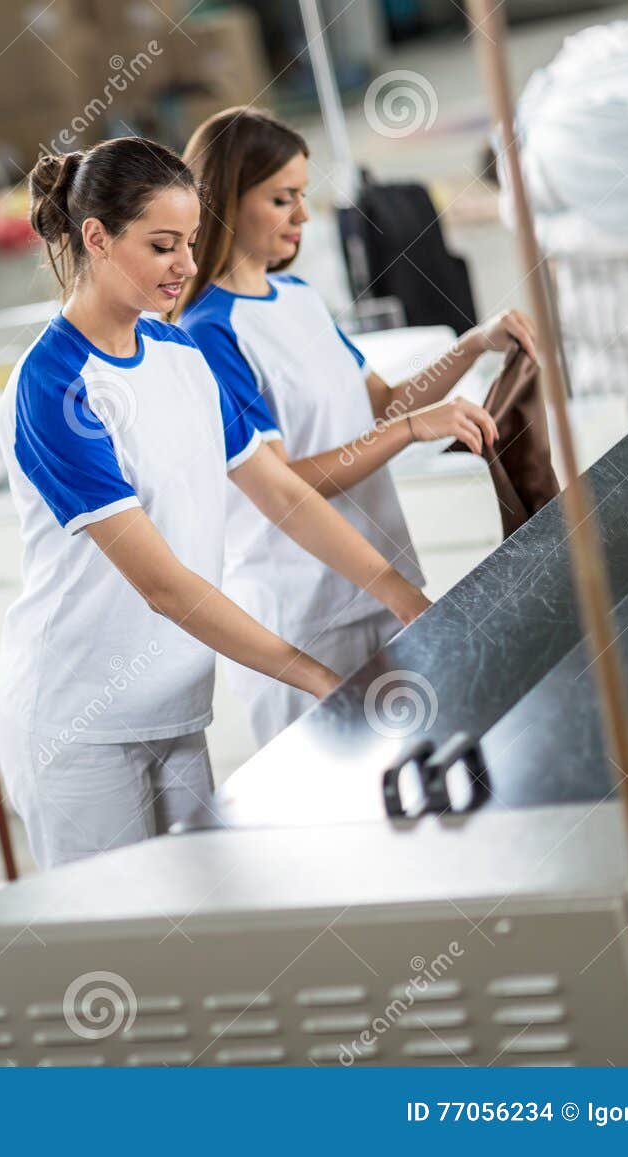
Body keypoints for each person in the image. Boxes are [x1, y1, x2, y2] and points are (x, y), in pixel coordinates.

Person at [0, 137, 431, 871]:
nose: (187, 266)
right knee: (121, 928)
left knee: (196, 919)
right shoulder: (55, 386)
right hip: (79, 722)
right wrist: (321, 679)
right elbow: (164, 586)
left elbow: (282, 493)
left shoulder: (180, 357)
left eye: (191, 243)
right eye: (163, 246)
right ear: (96, 238)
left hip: (178, 700)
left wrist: (403, 596)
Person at [175, 107, 538, 745]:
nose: (303, 216)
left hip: (382, 583)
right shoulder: (208, 332)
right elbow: (285, 482)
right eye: (281, 199)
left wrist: (474, 344)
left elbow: (384, 404)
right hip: (305, 615)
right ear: (226, 201)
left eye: (302, 196)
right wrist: (411, 430)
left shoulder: (298, 298)